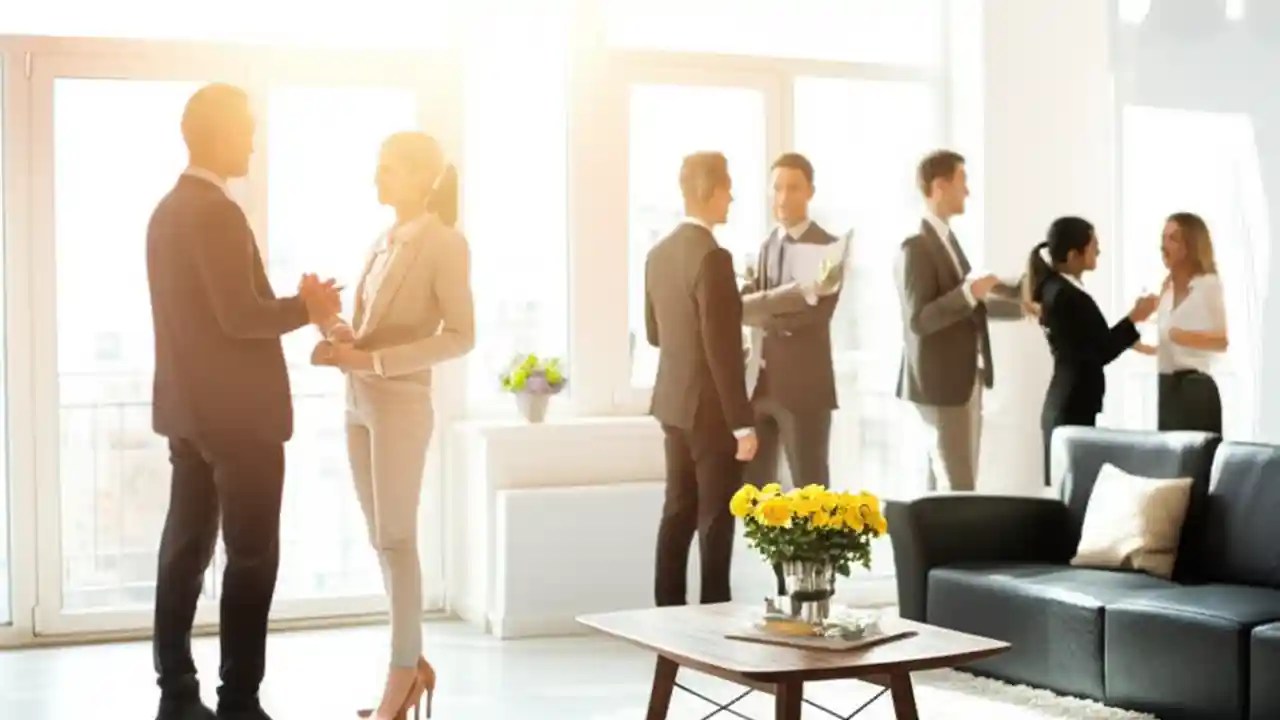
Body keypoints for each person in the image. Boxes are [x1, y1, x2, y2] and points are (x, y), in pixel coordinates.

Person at [147, 83, 341, 720]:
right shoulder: (216, 212)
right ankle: (239, 702)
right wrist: (306, 309)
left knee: (185, 548)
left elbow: (208, 316)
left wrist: (289, 304)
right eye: (247, 130)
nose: (254, 142)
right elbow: (239, 316)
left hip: (188, 412)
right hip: (239, 421)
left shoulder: (167, 211)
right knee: (251, 557)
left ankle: (176, 692)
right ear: (220, 133)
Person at [310, 132, 473, 720]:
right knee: (383, 541)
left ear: (422, 178)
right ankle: (413, 663)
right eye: (378, 168)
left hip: (402, 402)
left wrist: (375, 361)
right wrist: (335, 329)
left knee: (399, 541)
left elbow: (461, 335)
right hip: (357, 401)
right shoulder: (382, 242)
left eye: (389, 170)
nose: (378, 179)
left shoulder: (445, 244)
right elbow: (368, 330)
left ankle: (403, 674)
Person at [646, 151, 757, 608]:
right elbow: (723, 351)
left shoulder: (657, 253)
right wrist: (743, 424)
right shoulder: (713, 256)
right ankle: (714, 623)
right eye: (728, 188)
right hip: (711, 411)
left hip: (672, 403)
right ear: (711, 192)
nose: (732, 197)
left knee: (677, 513)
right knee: (715, 520)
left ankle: (666, 620)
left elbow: (655, 333)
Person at [739, 152, 841, 598]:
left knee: (811, 492)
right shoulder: (765, 246)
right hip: (761, 388)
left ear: (810, 192)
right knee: (762, 494)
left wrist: (757, 308)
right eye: (776, 187)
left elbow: (813, 316)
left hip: (805, 390)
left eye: (793, 187)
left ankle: (817, 592)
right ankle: (783, 586)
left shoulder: (829, 247)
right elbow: (763, 308)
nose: (783, 196)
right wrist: (775, 305)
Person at [894, 150, 1022, 493]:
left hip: (966, 380)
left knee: (949, 488)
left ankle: (937, 547)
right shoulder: (916, 247)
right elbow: (919, 319)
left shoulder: (948, 241)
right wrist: (968, 293)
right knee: (959, 489)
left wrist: (1021, 305)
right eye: (962, 181)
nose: (968, 191)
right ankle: (960, 547)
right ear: (939, 186)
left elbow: (969, 305)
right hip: (941, 386)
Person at [1024, 216, 1159, 486]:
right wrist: (1134, 317)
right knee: (1072, 489)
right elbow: (1100, 350)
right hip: (1071, 404)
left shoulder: (1060, 290)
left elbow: (1089, 342)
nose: (1098, 250)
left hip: (1070, 401)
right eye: (1093, 244)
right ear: (1074, 255)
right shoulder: (1064, 296)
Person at [1133, 212, 1228, 433]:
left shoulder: (1208, 285)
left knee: (1196, 465)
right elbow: (1169, 344)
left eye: (1172, 239)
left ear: (1191, 245)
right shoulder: (1167, 289)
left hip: (1196, 389)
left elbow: (1222, 340)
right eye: (1163, 238)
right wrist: (1139, 346)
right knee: (1169, 464)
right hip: (1167, 388)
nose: (1163, 245)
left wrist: (1181, 336)